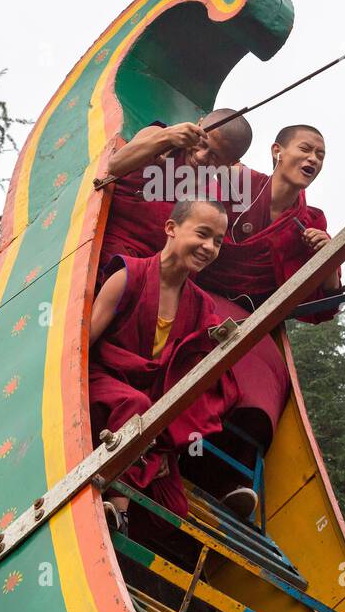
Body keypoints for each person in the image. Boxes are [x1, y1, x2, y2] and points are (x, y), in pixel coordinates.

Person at [89, 197, 258, 534]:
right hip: (103, 384)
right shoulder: (129, 276)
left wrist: (170, 446)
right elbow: (83, 345)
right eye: (203, 234)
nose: (209, 247)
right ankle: (117, 512)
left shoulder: (201, 306)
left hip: (152, 413)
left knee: (173, 507)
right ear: (171, 228)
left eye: (218, 241)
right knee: (135, 405)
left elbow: (192, 384)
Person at [197, 123, 341, 324]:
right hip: (198, 292)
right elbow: (204, 156)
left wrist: (330, 258)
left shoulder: (311, 222)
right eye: (305, 149)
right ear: (277, 151)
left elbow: (327, 303)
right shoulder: (241, 180)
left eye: (320, 156)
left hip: (251, 321)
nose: (313, 158)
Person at [97, 109, 253, 280]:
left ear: (229, 163)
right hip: (110, 246)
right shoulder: (161, 140)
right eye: (202, 143)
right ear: (199, 124)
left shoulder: (210, 197)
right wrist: (166, 137)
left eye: (214, 157)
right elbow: (115, 166)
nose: (201, 157)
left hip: (152, 269)